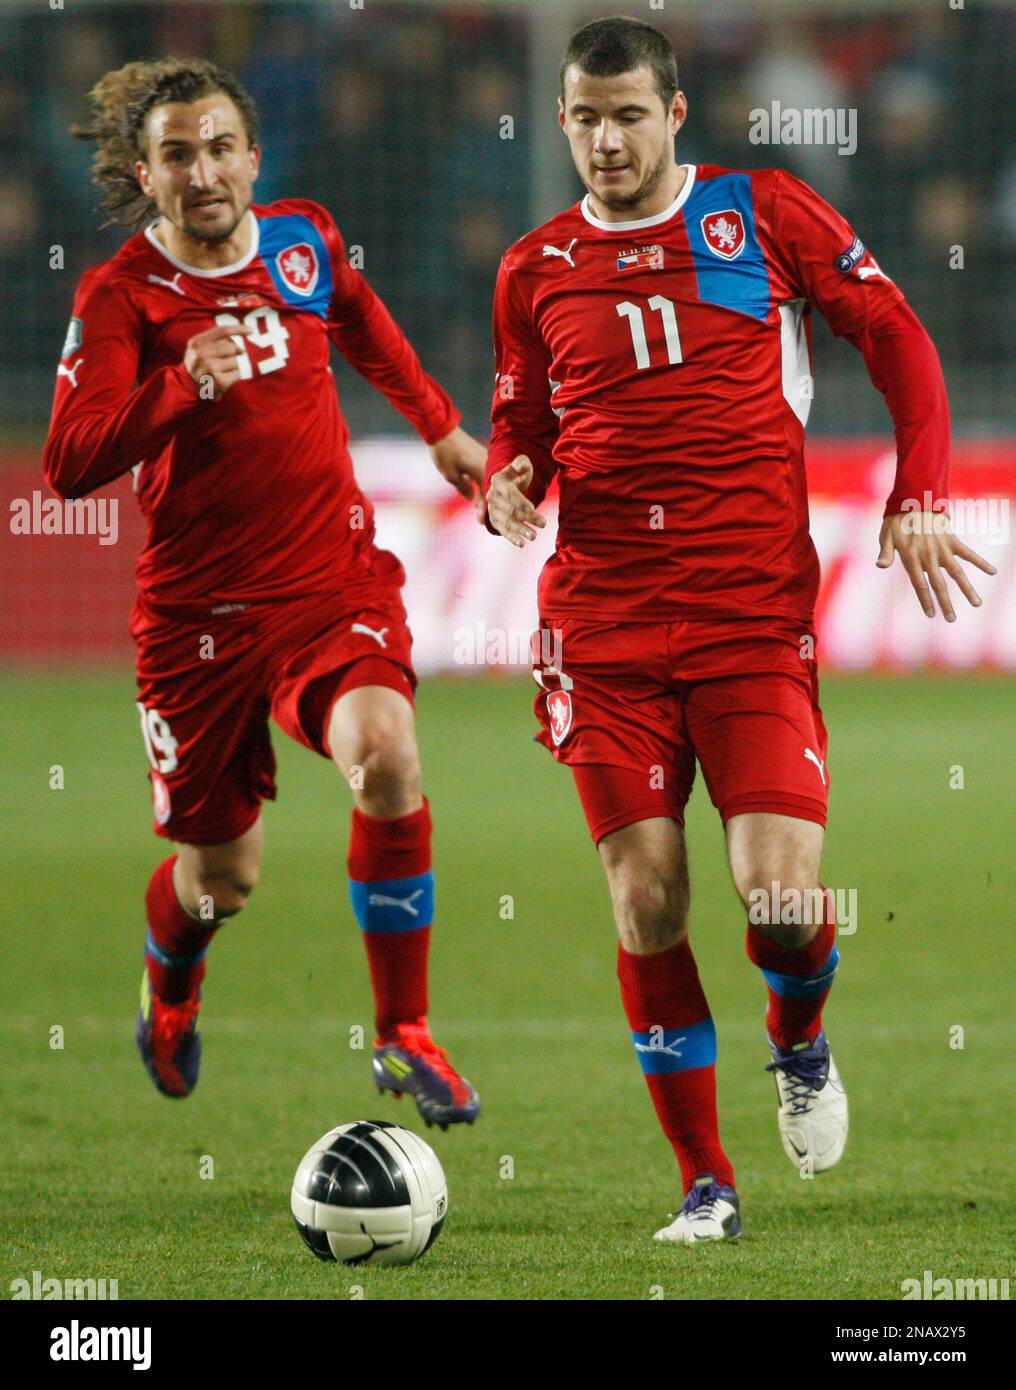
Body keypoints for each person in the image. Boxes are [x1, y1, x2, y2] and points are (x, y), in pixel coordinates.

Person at [483, 17, 995, 1242]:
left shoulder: (758, 214)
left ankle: (799, 1036)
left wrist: (917, 489)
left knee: (776, 898)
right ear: (560, 123)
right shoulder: (532, 267)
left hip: (749, 619)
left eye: (627, 116)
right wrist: (508, 476)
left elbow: (897, 336)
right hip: (600, 629)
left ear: (672, 117)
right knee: (646, 897)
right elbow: (523, 417)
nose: (606, 140)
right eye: (584, 119)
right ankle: (704, 1181)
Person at [43, 58, 485, 1129]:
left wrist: (438, 427)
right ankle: (170, 980)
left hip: (328, 587)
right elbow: (67, 462)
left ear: (253, 154)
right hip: (196, 625)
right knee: (219, 879)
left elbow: (361, 315)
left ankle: (402, 1031)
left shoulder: (302, 239)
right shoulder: (120, 298)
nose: (205, 171)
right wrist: (177, 383)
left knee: (384, 751)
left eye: (221, 147)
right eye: (178, 155)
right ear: (145, 176)